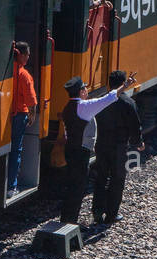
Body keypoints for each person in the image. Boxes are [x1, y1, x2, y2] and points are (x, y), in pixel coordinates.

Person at [59, 73, 129, 225]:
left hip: (70, 149)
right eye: (85, 88)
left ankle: (67, 219)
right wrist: (124, 87)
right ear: (81, 92)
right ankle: (70, 223)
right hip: (80, 151)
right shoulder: (83, 107)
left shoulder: (67, 107)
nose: (86, 91)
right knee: (77, 187)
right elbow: (106, 100)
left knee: (72, 186)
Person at [91, 70, 145, 225]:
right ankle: (111, 214)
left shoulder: (101, 100)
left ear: (109, 84)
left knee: (101, 177)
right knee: (117, 179)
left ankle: (97, 211)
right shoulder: (128, 103)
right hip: (119, 146)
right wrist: (138, 142)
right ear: (123, 84)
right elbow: (135, 125)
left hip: (101, 144)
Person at [7, 41, 37, 196]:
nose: (28, 57)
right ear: (21, 55)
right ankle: (12, 187)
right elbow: (31, 101)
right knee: (15, 150)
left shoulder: (6, 71)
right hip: (19, 116)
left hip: (5, 115)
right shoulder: (24, 75)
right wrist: (32, 116)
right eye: (27, 54)